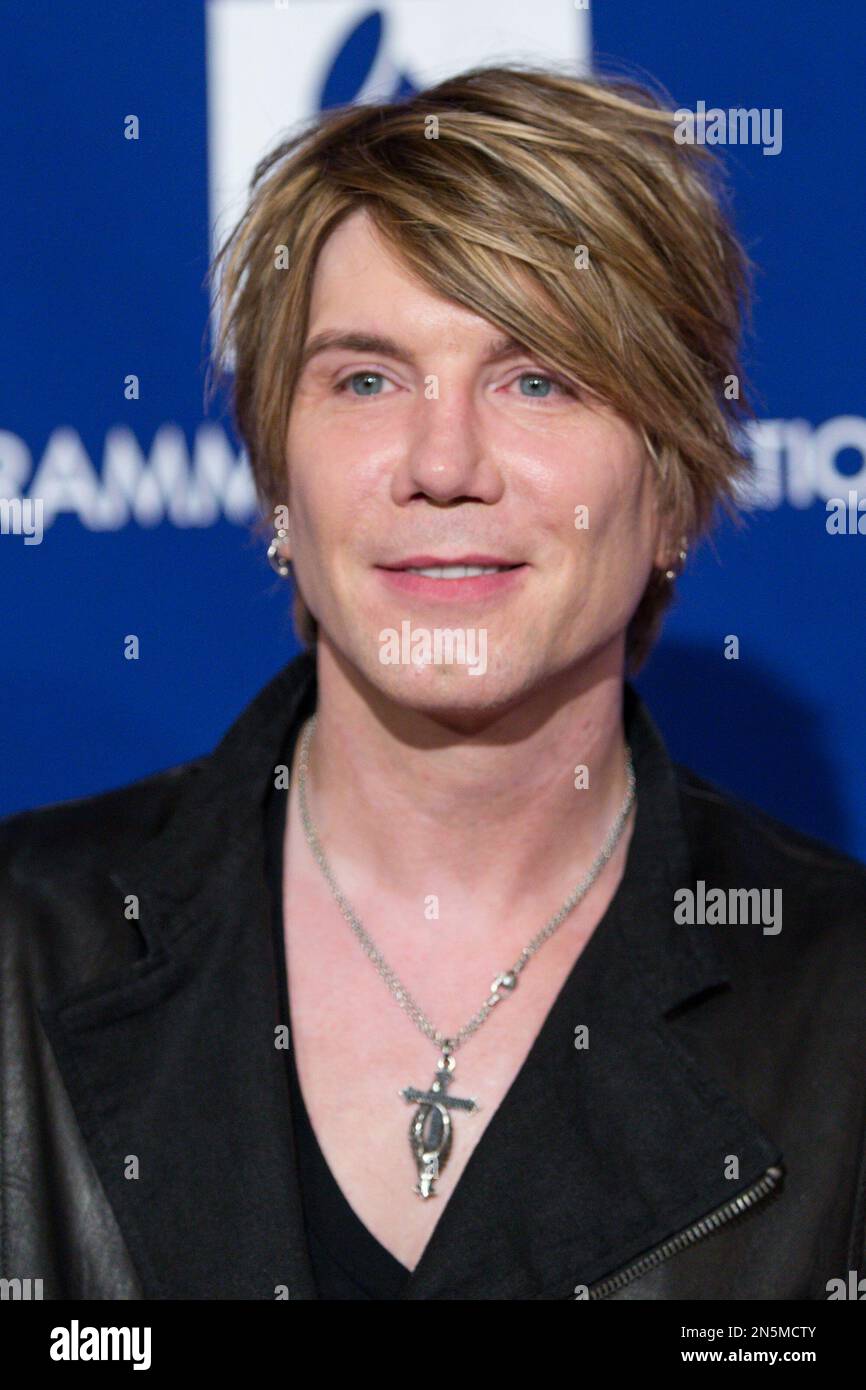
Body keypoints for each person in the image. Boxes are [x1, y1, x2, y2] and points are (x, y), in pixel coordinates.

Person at [2, 64, 865, 1302]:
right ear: (278, 481)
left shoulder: (840, 1003)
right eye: (365, 378)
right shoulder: (20, 946)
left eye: (536, 379)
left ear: (669, 485)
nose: (441, 461)